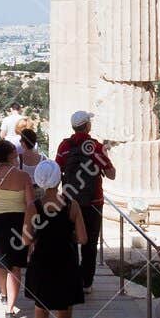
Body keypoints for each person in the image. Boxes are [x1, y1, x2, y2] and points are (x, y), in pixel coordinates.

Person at [24, 159, 87, 318]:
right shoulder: (72, 205)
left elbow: (25, 239)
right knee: (65, 315)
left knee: (40, 310)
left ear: (38, 180)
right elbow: (82, 238)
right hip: (66, 263)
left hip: (41, 263)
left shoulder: (34, 207)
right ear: (59, 179)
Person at [53, 110, 114, 297]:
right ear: (88, 126)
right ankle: (86, 283)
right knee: (90, 243)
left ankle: (70, 278)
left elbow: (57, 172)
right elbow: (111, 174)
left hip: (70, 201)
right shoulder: (96, 147)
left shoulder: (64, 146)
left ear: (73, 126)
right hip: (94, 201)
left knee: (69, 240)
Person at [0, 138, 34, 318]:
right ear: (10, 155)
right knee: (15, 265)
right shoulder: (23, 177)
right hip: (18, 221)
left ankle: (3, 294)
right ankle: (10, 309)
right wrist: (29, 228)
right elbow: (30, 204)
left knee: (0, 261)